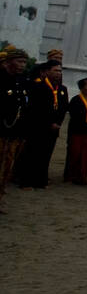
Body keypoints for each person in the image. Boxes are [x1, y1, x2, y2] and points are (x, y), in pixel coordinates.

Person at [17, 52, 69, 189]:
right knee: (32, 154)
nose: (58, 73)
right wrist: (48, 123)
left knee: (45, 155)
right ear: (46, 72)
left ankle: (41, 181)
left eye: (60, 71)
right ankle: (25, 181)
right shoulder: (37, 87)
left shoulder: (62, 89)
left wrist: (57, 123)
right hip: (38, 127)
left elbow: (63, 109)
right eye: (55, 71)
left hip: (54, 128)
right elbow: (35, 109)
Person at [0, 46, 29, 210]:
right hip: (2, 130)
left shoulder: (22, 80)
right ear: (8, 61)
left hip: (15, 132)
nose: (22, 65)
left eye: (24, 62)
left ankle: (1, 196)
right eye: (19, 61)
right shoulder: (2, 79)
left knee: (7, 167)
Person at [64, 78, 87, 184]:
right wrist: (85, 125)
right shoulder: (76, 99)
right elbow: (74, 116)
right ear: (82, 87)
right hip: (77, 131)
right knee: (74, 153)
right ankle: (70, 176)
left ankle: (82, 176)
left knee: (86, 155)